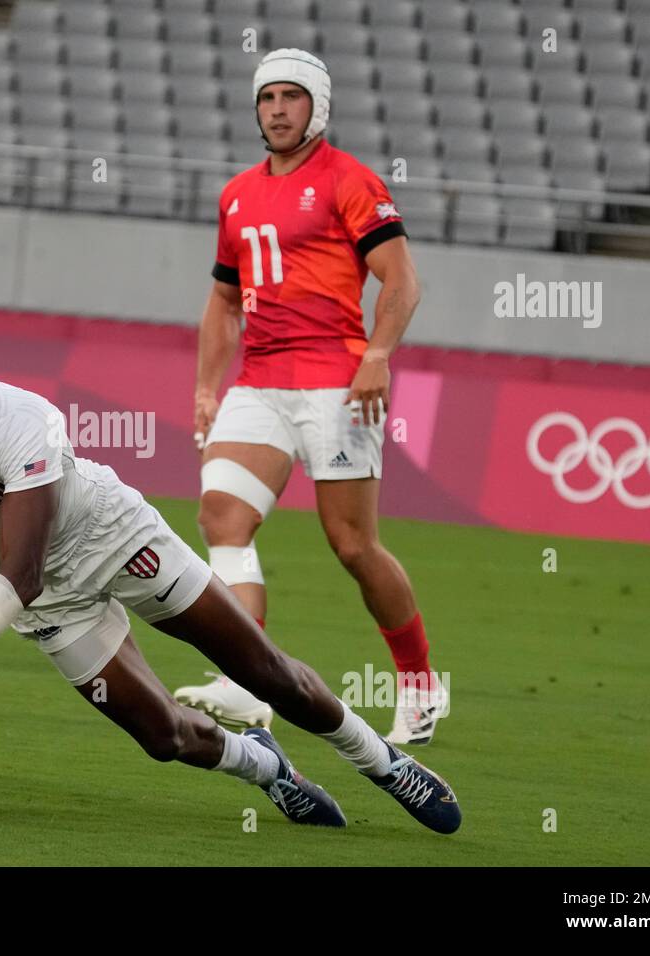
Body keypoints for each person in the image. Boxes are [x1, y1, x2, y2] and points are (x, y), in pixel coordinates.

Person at [0, 339, 462, 833]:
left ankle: (383, 763)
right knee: (163, 736)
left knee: (263, 670)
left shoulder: (20, 420)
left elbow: (20, 569)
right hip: (48, 602)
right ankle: (263, 765)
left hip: (115, 543)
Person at [178, 49, 448, 745]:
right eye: (268, 98)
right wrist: (207, 386)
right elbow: (223, 298)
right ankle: (245, 681)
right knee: (221, 517)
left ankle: (419, 682)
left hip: (336, 380)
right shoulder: (235, 193)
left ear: (316, 107)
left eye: (292, 97)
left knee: (353, 545)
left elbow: (402, 281)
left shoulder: (350, 181)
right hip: (260, 381)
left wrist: (378, 356)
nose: (277, 109)